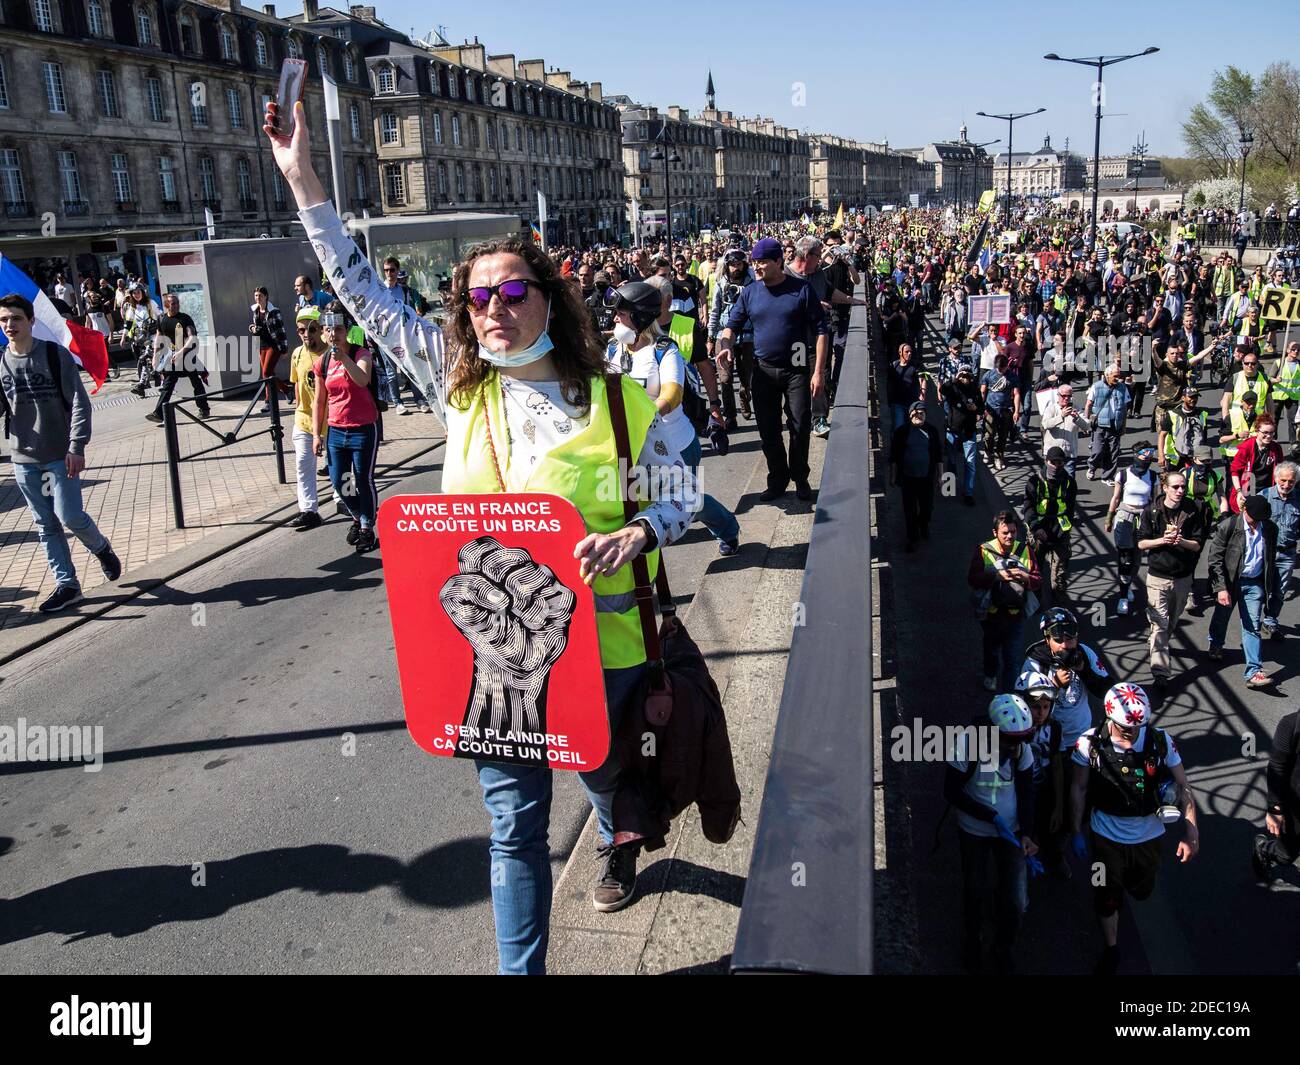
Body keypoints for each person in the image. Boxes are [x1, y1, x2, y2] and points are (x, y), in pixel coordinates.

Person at [266, 96, 702, 973]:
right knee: (513, 829)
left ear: (547, 297)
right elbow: (359, 286)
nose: (494, 308)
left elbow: (683, 494)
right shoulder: (456, 386)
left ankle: (620, 823)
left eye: (511, 291)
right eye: (478, 297)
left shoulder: (615, 399)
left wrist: (638, 536)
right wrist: (302, 176)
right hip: (491, 664)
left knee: (604, 771)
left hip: (606, 650)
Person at [0, 293, 121, 612]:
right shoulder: (1, 361)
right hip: (23, 458)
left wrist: (77, 446)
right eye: (3, 320)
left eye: (15, 318)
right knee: (45, 524)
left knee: (69, 516)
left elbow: (81, 403)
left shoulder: (54, 355)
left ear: (31, 321)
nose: (9, 325)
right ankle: (67, 585)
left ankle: (101, 548)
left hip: (60, 455)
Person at [1069, 683, 1197, 975]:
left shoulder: (1161, 742)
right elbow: (1078, 787)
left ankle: (1124, 892)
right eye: (1125, 726)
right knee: (1105, 894)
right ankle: (1112, 947)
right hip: (1104, 837)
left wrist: (1192, 833)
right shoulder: (1088, 744)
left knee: (1142, 889)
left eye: (1137, 726)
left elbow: (1184, 786)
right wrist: (1075, 829)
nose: (1131, 733)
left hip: (1148, 836)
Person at [607, 280, 739, 556]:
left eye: (621, 312)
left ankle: (727, 527)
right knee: (641, 504)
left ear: (640, 316)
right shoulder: (612, 350)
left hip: (675, 445)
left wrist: (645, 413)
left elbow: (672, 394)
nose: (614, 318)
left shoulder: (665, 350)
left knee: (688, 501)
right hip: (631, 445)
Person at [717, 236, 828, 502]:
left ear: (778, 261)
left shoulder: (801, 290)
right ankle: (777, 480)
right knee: (768, 430)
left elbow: (822, 330)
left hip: (797, 369)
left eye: (763, 262)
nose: (757, 267)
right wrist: (725, 344)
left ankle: (800, 478)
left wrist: (819, 372)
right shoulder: (750, 292)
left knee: (800, 426)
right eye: (754, 262)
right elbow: (731, 325)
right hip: (763, 371)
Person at [943, 693, 1038, 975]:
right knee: (974, 889)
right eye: (1010, 739)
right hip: (974, 830)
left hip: (1012, 831)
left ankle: (1003, 947)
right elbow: (951, 791)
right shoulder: (966, 744)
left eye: (1022, 738)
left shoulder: (1021, 751)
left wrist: (1028, 834)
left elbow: (1027, 792)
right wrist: (989, 816)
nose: (1015, 745)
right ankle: (973, 941)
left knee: (1017, 901)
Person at [1137, 469, 1206, 689]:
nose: (1180, 491)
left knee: (1171, 623)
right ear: (1165, 488)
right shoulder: (1151, 511)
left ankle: (1159, 644)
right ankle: (1160, 673)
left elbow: (1197, 545)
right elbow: (1141, 543)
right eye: (1175, 487)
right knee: (1160, 623)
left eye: (1183, 487)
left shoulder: (1192, 510)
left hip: (1183, 577)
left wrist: (1180, 541)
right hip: (1158, 576)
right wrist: (1162, 541)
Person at [1208, 493, 1279, 687]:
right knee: (1222, 616)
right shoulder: (1228, 526)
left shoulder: (1270, 528)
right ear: (1244, 510)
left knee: (1252, 626)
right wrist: (1221, 588)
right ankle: (1215, 643)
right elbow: (1215, 559)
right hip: (1230, 583)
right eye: (1253, 518)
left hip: (1254, 584)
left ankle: (1254, 671)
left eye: (1260, 520)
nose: (1256, 523)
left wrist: (1272, 586)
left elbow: (1271, 559)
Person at [967, 510, 1042, 693]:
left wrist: (1025, 577)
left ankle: (1010, 696)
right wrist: (996, 576)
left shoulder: (1025, 549)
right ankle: (990, 673)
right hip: (991, 615)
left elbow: (1038, 580)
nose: (1009, 536)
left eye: (1013, 532)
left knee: (1012, 658)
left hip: (1016, 617)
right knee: (992, 650)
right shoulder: (983, 550)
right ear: (995, 533)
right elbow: (973, 579)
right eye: (1005, 533)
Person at [1104, 440, 1158, 615]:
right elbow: (1116, 497)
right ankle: (1123, 597)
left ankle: (1127, 585)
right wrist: (1109, 518)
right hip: (1125, 516)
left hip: (1143, 518)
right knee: (1125, 557)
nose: (1148, 456)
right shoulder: (1123, 475)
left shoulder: (1153, 476)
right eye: (1145, 453)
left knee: (1137, 557)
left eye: (1151, 453)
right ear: (1136, 455)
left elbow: (1156, 501)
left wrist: (1156, 522)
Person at [286, 305, 327, 531]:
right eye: (302, 330)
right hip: (304, 420)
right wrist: (300, 408)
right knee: (303, 464)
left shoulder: (331, 352)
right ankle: (309, 510)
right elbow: (297, 384)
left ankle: (345, 502)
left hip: (332, 420)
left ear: (321, 329)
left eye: (312, 330)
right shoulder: (297, 353)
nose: (306, 334)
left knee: (341, 468)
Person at [145, 292, 210, 423]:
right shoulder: (161, 319)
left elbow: (192, 337)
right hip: (172, 357)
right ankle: (159, 413)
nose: (176, 305)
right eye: (173, 303)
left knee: (195, 382)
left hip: (186, 355)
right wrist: (155, 356)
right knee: (168, 383)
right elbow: (159, 337)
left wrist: (181, 352)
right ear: (166, 305)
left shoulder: (185, 319)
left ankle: (204, 408)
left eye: (177, 303)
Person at [1252, 709, 1300, 884]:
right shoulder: (1291, 724)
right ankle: (1264, 849)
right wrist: (1275, 808)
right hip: (1295, 806)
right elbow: (1277, 767)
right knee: (1286, 855)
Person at [1022, 448, 1076, 601]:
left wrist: (1065, 530)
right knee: (1035, 569)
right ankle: (1035, 601)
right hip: (1039, 532)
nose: (1057, 466)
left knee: (1060, 572)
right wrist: (1036, 528)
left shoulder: (1069, 483)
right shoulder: (1034, 481)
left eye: (1060, 463)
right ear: (1046, 461)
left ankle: (1058, 601)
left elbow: (1070, 509)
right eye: (1054, 462)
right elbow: (1028, 507)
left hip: (1060, 532)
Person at [708, 249, 754, 427]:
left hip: (748, 337)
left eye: (739, 264)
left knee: (746, 377)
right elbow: (715, 312)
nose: (736, 268)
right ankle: (730, 416)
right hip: (723, 336)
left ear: (744, 265)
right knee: (725, 379)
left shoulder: (752, 285)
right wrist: (711, 338)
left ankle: (745, 397)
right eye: (732, 265)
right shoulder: (721, 284)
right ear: (727, 266)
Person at [889, 400, 941, 552]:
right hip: (908, 478)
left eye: (922, 413)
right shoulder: (902, 432)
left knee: (927, 508)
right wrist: (893, 476)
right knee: (909, 510)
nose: (919, 416)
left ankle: (923, 525)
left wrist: (941, 476)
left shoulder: (932, 431)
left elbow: (938, 455)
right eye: (916, 413)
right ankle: (912, 537)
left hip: (926, 478)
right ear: (910, 415)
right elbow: (895, 456)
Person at [1261, 461, 1299, 638]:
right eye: (1283, 480)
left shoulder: (1298, 499)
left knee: (1279, 591)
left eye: (1291, 481)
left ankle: (1270, 622)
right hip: (1264, 552)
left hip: (1287, 553)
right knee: (1257, 590)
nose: (1286, 485)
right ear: (1276, 478)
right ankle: (1252, 622)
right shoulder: (1264, 496)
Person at [940, 363, 981, 506]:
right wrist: (954, 379)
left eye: (967, 375)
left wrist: (976, 408)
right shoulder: (954, 387)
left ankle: (968, 493)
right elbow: (942, 389)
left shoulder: (975, 389)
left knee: (970, 463)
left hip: (969, 432)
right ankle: (949, 487)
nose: (965, 378)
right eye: (962, 375)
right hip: (953, 430)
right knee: (951, 460)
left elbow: (981, 407)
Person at [1084, 363, 1130, 484]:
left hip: (1115, 426)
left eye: (1119, 376)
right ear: (1107, 375)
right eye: (1115, 376)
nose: (1117, 379)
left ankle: (1107, 476)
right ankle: (1092, 467)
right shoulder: (1097, 386)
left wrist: (1124, 426)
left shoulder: (1123, 388)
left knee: (1113, 452)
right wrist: (1086, 422)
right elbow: (1088, 404)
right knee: (1098, 451)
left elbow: (1124, 408)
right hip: (1100, 425)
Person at [1228, 413, 1282, 513]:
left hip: (1267, 490)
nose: (1269, 436)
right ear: (1257, 431)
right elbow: (1235, 472)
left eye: (1271, 433)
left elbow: (1280, 471)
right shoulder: (1247, 447)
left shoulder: (1276, 448)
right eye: (1265, 432)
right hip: (1248, 490)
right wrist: (1239, 492)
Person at [250, 286, 290, 412]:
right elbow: (255, 327)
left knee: (267, 373)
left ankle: (268, 401)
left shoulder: (274, 311)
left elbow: (281, 330)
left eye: (260, 295)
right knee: (268, 374)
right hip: (261, 345)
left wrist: (284, 349)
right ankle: (286, 389)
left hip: (274, 345)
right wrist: (252, 328)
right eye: (256, 296)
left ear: (266, 296)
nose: (258, 298)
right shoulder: (255, 310)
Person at [979, 352, 1018, 473]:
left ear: (1007, 365)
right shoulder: (989, 375)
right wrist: (981, 409)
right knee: (989, 434)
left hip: (1005, 410)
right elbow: (983, 392)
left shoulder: (1012, 377)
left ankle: (999, 457)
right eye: (998, 368)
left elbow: (1016, 394)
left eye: (1003, 368)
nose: (1000, 370)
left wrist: (1017, 411)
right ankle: (988, 452)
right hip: (990, 410)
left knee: (1003, 435)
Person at [122, 283, 162, 396]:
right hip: (143, 338)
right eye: (134, 293)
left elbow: (161, 316)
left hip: (155, 337)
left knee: (144, 359)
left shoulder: (151, 303)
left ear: (143, 292)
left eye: (138, 292)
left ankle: (143, 384)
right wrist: (123, 337)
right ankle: (149, 383)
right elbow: (128, 323)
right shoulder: (132, 307)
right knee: (147, 361)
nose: (136, 295)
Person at [1040, 384, 1088, 478]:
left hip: (1069, 454)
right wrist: (1061, 416)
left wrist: (1077, 418)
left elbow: (1086, 426)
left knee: (1069, 481)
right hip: (1053, 454)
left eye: (1069, 396)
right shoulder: (1051, 408)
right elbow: (1045, 424)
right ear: (1058, 396)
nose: (1066, 398)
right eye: (1064, 396)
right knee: (1051, 480)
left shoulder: (1076, 408)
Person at [1160, 386, 1209, 470]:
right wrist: (1161, 456)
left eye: (1195, 397)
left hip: (1195, 457)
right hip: (1175, 458)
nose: (1193, 399)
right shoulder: (1172, 414)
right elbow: (1162, 435)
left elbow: (1203, 437)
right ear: (1183, 398)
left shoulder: (1202, 414)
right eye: (1190, 397)